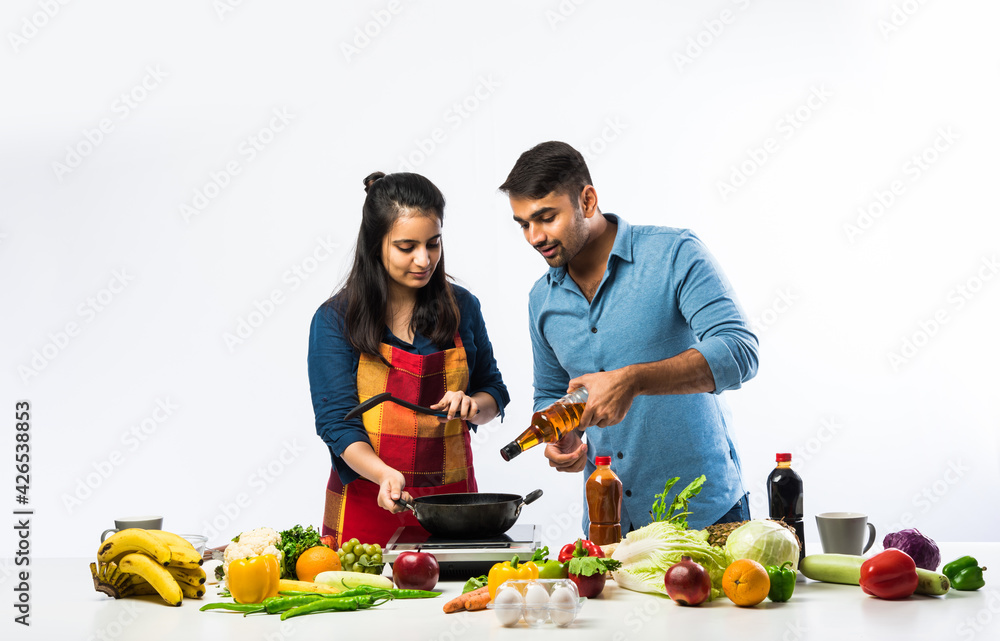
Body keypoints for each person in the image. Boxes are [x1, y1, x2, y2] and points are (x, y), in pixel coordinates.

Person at [499, 141, 758, 532]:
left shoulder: (674, 253)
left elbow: (739, 351)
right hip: (608, 524)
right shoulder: (541, 299)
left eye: (546, 218)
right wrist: (563, 435)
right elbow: (550, 391)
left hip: (705, 517)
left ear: (587, 201)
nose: (534, 237)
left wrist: (632, 380)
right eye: (523, 224)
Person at [308, 171, 509, 547]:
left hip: (455, 512)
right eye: (406, 247)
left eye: (433, 243)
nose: (424, 259)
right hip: (367, 507)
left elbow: (493, 392)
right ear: (375, 244)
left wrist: (473, 406)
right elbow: (337, 423)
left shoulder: (463, 307)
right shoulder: (335, 319)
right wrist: (383, 474)